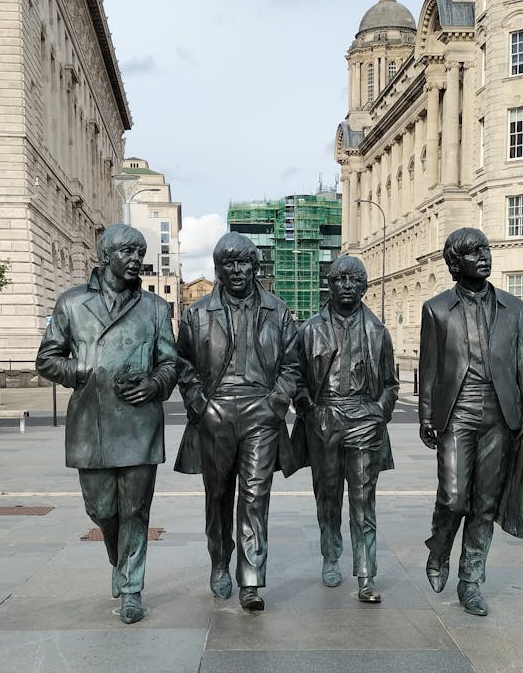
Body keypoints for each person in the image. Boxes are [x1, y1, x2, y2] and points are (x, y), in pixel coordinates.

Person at [36, 223, 178, 625]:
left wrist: (154, 382)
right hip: (91, 423)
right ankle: (120, 559)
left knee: (136, 510)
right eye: (128, 253)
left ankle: (132, 588)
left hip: (138, 422)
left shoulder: (155, 308)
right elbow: (46, 358)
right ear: (105, 257)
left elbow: (171, 362)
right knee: (101, 509)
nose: (136, 261)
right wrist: (80, 370)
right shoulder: (72, 304)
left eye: (140, 253)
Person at [418, 227, 523, 616]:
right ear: (456, 264)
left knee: (485, 503)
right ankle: (439, 547)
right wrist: (425, 416)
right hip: (457, 412)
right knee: (454, 498)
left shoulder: (514, 309)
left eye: (485, 249)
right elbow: (430, 369)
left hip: (501, 416)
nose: (484, 257)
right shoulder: (436, 309)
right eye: (473, 253)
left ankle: (470, 581)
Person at [174, 231, 299, 611]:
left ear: (255, 266)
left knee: (255, 496)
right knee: (219, 496)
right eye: (229, 264)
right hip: (215, 412)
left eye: (244, 262)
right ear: (219, 270)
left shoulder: (277, 311)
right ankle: (219, 561)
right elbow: (183, 365)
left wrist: (275, 403)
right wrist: (199, 404)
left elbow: (293, 365)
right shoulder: (196, 314)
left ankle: (251, 579)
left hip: (261, 412)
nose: (238, 270)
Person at [293, 255, 398, 603]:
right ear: (330, 285)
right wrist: (312, 412)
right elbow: (297, 381)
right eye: (340, 280)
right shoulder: (309, 331)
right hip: (325, 418)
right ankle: (330, 554)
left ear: (364, 287)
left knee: (363, 501)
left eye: (355, 281)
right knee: (328, 496)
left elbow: (390, 384)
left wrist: (378, 412)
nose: (348, 286)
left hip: (364, 420)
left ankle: (366, 574)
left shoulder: (378, 331)